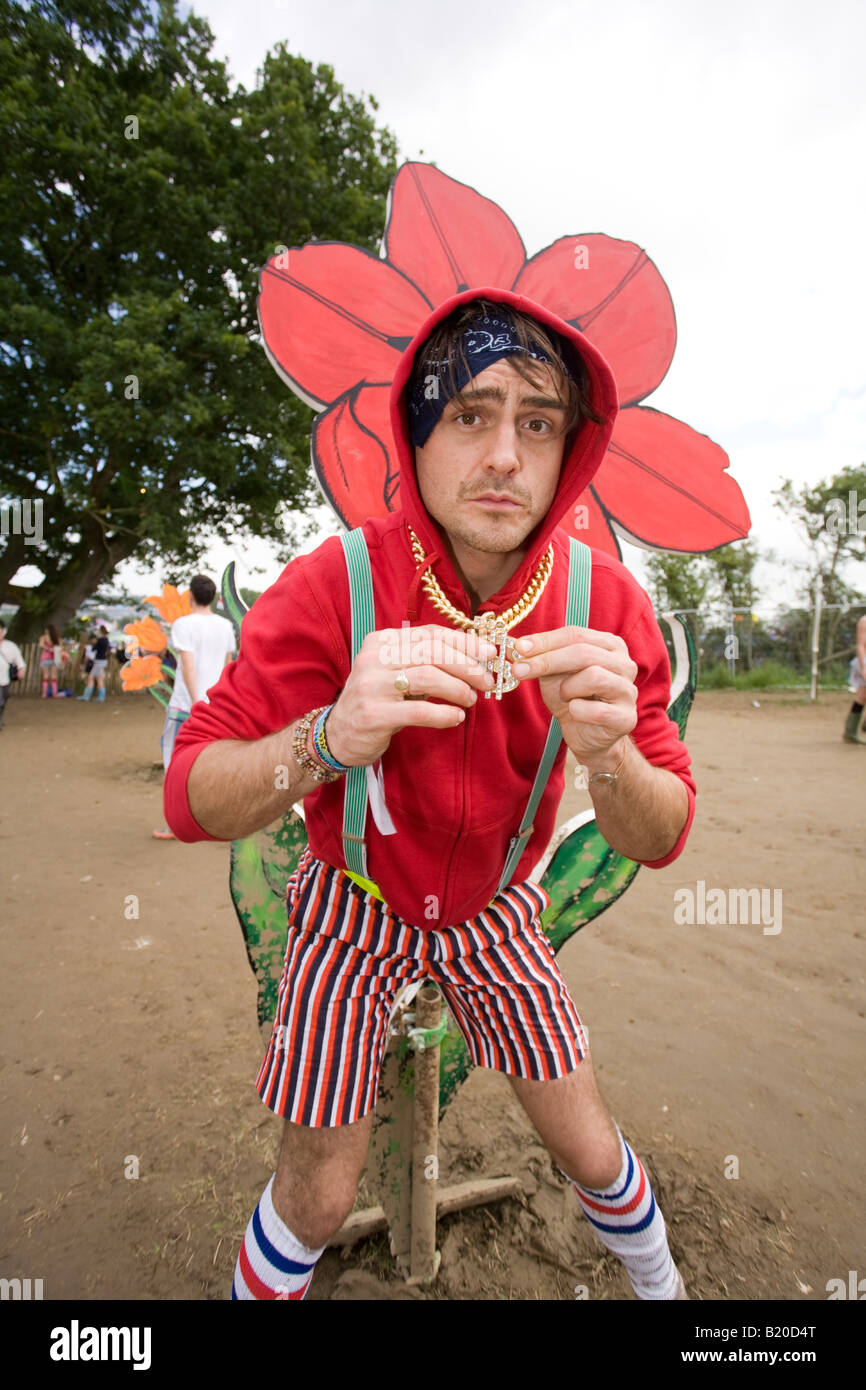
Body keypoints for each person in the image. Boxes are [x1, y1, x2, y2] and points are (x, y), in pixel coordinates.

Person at [163, 290, 697, 1302]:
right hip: (349, 906)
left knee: (588, 1148)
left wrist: (611, 755)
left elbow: (661, 831)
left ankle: (669, 1297)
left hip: (497, 909)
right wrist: (329, 737)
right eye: (469, 414)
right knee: (317, 1194)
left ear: (568, 451)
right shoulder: (334, 585)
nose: (503, 456)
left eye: (535, 423)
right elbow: (192, 797)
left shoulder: (605, 606)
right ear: (416, 435)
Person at [152, 576, 236, 839]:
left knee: (174, 764)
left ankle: (177, 825)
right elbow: (227, 666)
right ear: (212, 598)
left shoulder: (182, 624)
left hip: (185, 706)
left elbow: (187, 666)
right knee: (215, 764)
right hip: (216, 706)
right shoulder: (225, 626)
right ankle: (217, 822)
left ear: (190, 597)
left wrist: (196, 700)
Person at [843, 612, 866, 744]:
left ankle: (850, 732)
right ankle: (850, 733)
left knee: (863, 695)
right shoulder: (864, 621)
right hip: (864, 661)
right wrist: (864, 667)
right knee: (862, 695)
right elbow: (861, 645)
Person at [0, 620, 27, 730]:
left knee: (4, 699)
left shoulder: (11, 646)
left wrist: (21, 669)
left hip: (5, 679)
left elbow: (19, 660)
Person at [78, 624, 112, 702]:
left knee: (92, 677)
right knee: (98, 678)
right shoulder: (106, 640)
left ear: (100, 631)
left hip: (98, 661)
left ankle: (87, 696)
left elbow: (94, 649)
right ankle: (100, 697)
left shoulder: (100, 640)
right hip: (103, 661)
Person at [38, 624, 62, 698]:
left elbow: (41, 645)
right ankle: (54, 693)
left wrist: (47, 648)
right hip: (54, 658)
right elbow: (60, 647)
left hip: (45, 658)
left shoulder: (43, 638)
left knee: (46, 676)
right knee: (53, 676)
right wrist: (52, 649)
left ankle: (44, 693)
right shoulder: (57, 638)